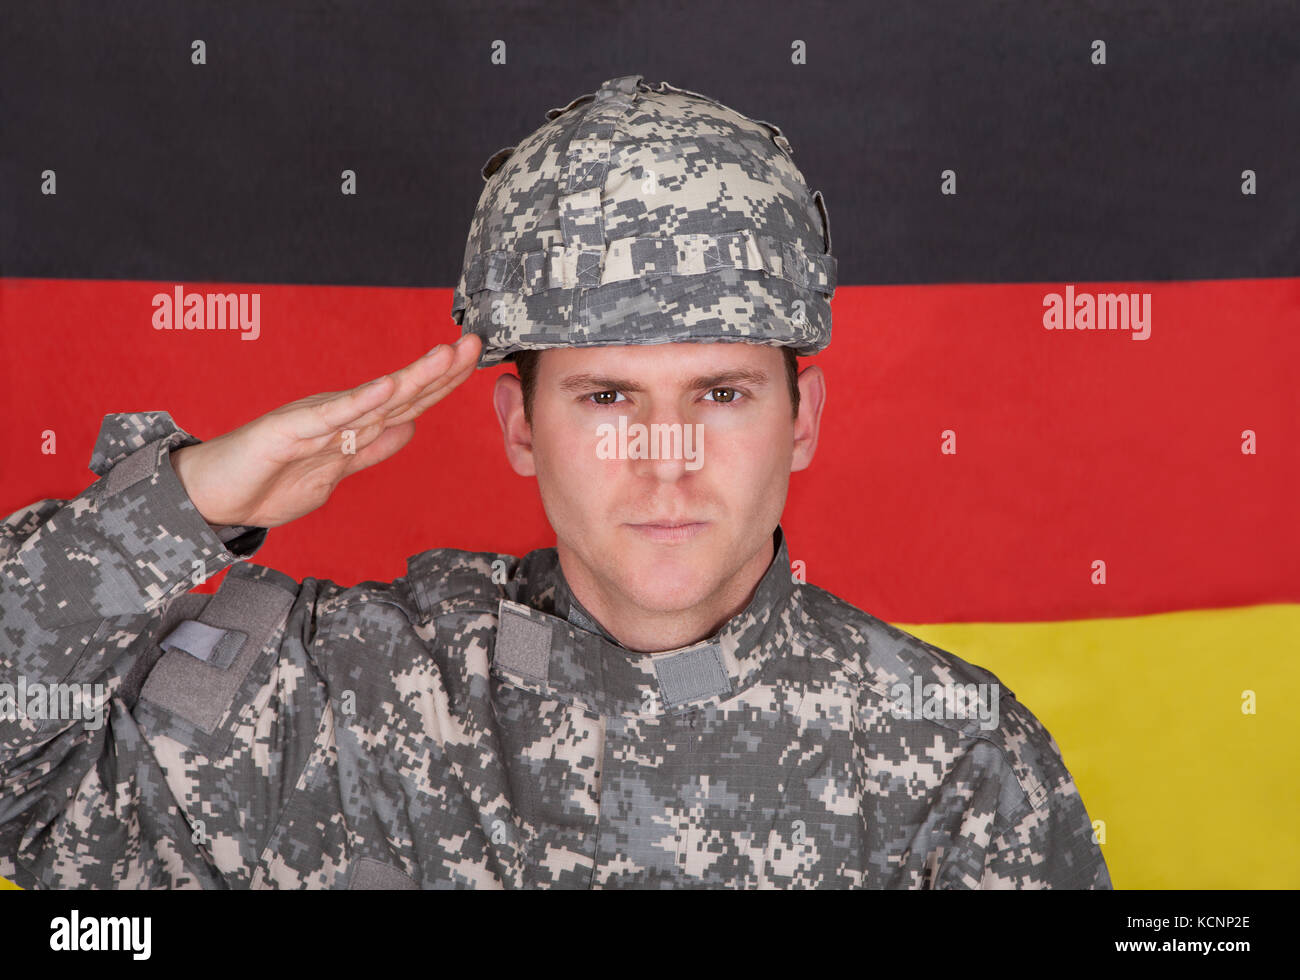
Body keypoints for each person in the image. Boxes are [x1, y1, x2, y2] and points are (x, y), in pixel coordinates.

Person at [0, 75, 1110, 889]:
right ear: (518, 425)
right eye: (607, 398)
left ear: (801, 420)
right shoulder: (343, 701)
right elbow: (26, 788)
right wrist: (185, 503)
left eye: (720, 393)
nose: (664, 458)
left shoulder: (952, 756)